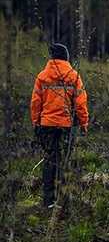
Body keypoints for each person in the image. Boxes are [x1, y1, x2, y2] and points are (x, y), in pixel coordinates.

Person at [31, 43, 89, 207]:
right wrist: (84, 123)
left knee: (49, 160)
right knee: (64, 161)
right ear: (66, 58)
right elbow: (81, 103)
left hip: (46, 125)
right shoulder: (74, 76)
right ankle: (62, 201)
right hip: (66, 126)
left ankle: (48, 201)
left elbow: (35, 103)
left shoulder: (42, 76)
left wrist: (36, 123)